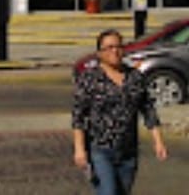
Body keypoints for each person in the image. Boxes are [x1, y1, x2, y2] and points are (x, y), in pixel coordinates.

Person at [72, 28, 168, 194]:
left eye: (118, 46)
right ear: (99, 53)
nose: (114, 51)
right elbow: (78, 116)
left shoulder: (135, 77)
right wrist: (79, 149)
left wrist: (158, 141)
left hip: (128, 152)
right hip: (100, 150)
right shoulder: (90, 79)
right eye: (108, 47)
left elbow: (147, 109)